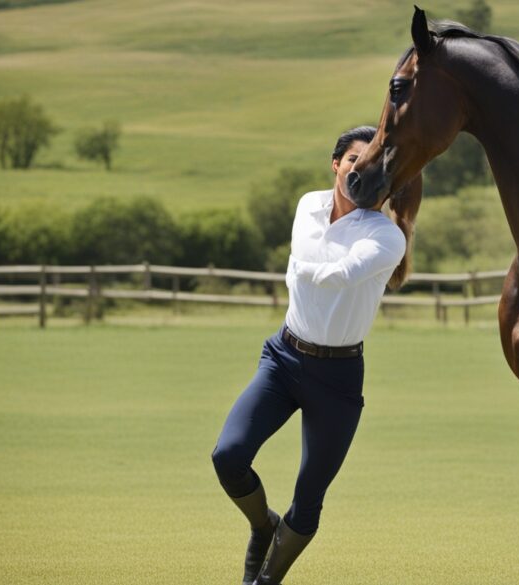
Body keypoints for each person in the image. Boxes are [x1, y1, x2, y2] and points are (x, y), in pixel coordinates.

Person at [211, 126, 418, 585]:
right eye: (353, 163)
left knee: (308, 500)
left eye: (372, 167)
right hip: (284, 359)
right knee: (228, 456)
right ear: (336, 163)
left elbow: (341, 274)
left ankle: (263, 581)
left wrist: (298, 270)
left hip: (339, 378)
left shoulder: (388, 237)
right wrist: (306, 267)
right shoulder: (309, 204)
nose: (359, 173)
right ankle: (263, 526)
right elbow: (312, 256)